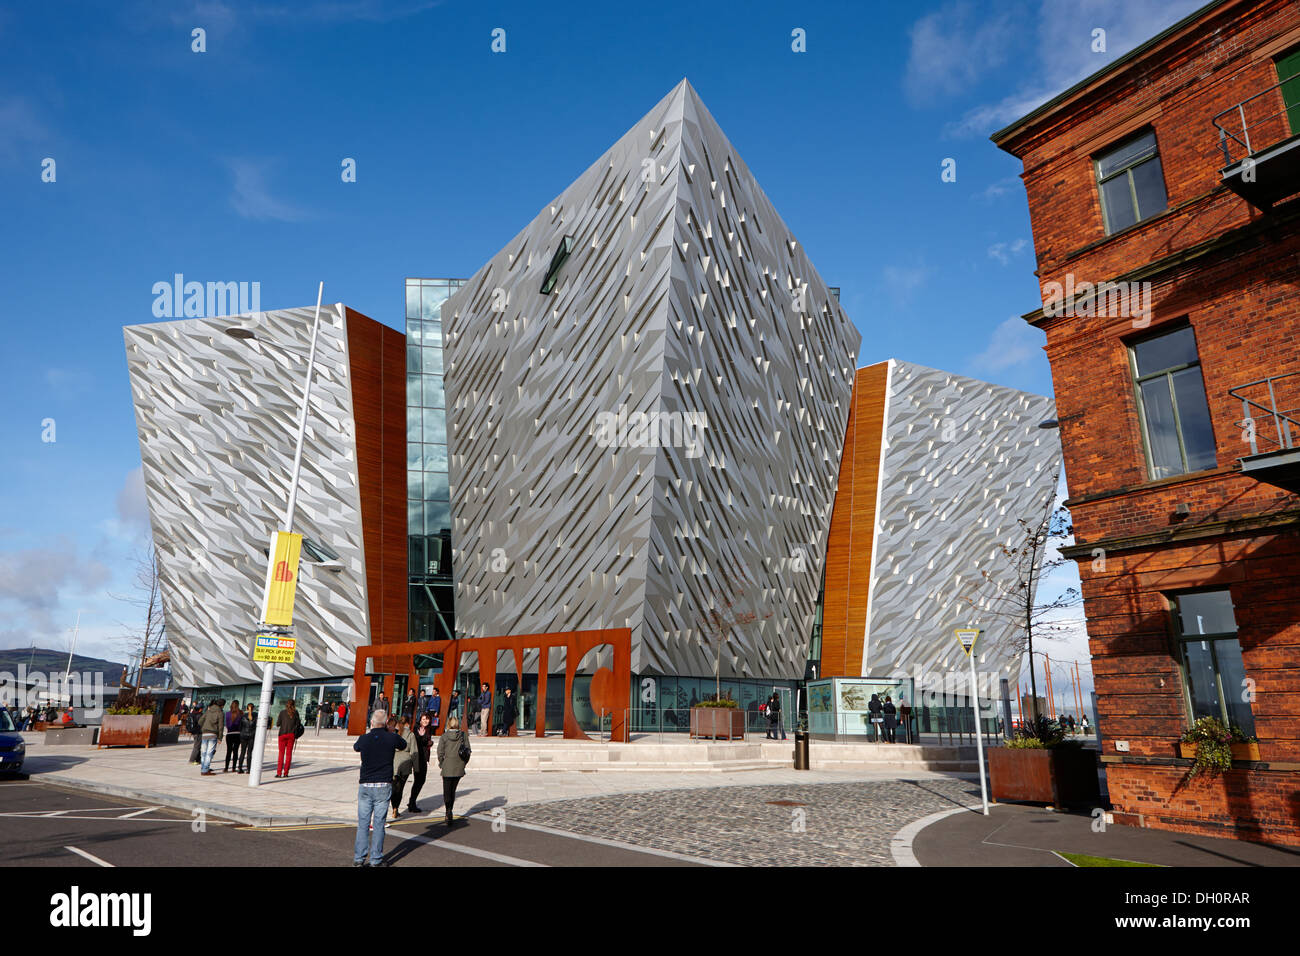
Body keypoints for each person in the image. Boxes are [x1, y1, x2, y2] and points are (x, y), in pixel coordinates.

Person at [353, 709, 406, 866]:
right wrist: (390, 731)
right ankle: (376, 859)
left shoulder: (364, 739)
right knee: (378, 824)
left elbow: (356, 747)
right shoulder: (391, 737)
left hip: (366, 783)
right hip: (383, 784)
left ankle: (359, 858)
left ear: (371, 723)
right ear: (386, 723)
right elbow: (403, 744)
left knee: (363, 823)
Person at [436, 713, 470, 826]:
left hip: (447, 765)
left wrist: (442, 763)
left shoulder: (444, 736)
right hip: (459, 765)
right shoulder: (463, 735)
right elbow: (468, 750)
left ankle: (448, 811)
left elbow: (440, 751)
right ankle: (450, 809)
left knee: (447, 790)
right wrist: (464, 763)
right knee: (453, 790)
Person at [389, 717, 418, 819]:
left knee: (393, 787)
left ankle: (394, 808)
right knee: (400, 788)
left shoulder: (393, 734)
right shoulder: (410, 735)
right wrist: (416, 768)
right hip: (406, 763)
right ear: (407, 724)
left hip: (393, 763)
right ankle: (396, 808)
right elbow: (414, 752)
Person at [275, 700, 303, 778]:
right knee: (288, 754)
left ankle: (279, 773)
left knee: (281, 754)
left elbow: (278, 724)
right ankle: (286, 773)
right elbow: (298, 724)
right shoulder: (295, 713)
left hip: (282, 735)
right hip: (291, 735)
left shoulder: (282, 712)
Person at [198, 698, 225, 776]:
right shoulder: (220, 713)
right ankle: (205, 770)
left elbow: (200, 721)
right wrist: (220, 737)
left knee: (203, 752)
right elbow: (221, 726)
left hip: (204, 733)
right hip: (213, 734)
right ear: (222, 705)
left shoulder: (208, 711)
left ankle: (203, 767)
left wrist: (204, 726)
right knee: (209, 753)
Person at [223, 699, 243, 772]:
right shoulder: (241, 713)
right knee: (235, 751)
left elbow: (227, 725)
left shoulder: (227, 713)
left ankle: (226, 767)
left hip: (229, 734)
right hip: (238, 734)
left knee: (229, 751)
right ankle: (234, 768)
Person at [237, 703, 257, 773]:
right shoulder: (256, 716)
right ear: (253, 708)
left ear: (246, 708)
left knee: (242, 752)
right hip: (252, 736)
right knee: (249, 752)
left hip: (243, 735)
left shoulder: (243, 716)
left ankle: (239, 768)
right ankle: (249, 768)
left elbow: (240, 727)